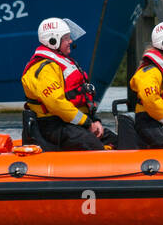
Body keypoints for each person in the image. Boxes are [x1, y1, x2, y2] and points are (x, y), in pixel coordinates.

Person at [21, 17, 116, 150]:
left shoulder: (62, 63)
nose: (70, 41)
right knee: (91, 144)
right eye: (66, 38)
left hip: (70, 123)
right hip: (52, 127)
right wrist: (87, 123)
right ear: (53, 41)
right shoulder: (44, 69)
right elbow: (57, 103)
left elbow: (83, 99)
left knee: (113, 139)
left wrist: (94, 120)